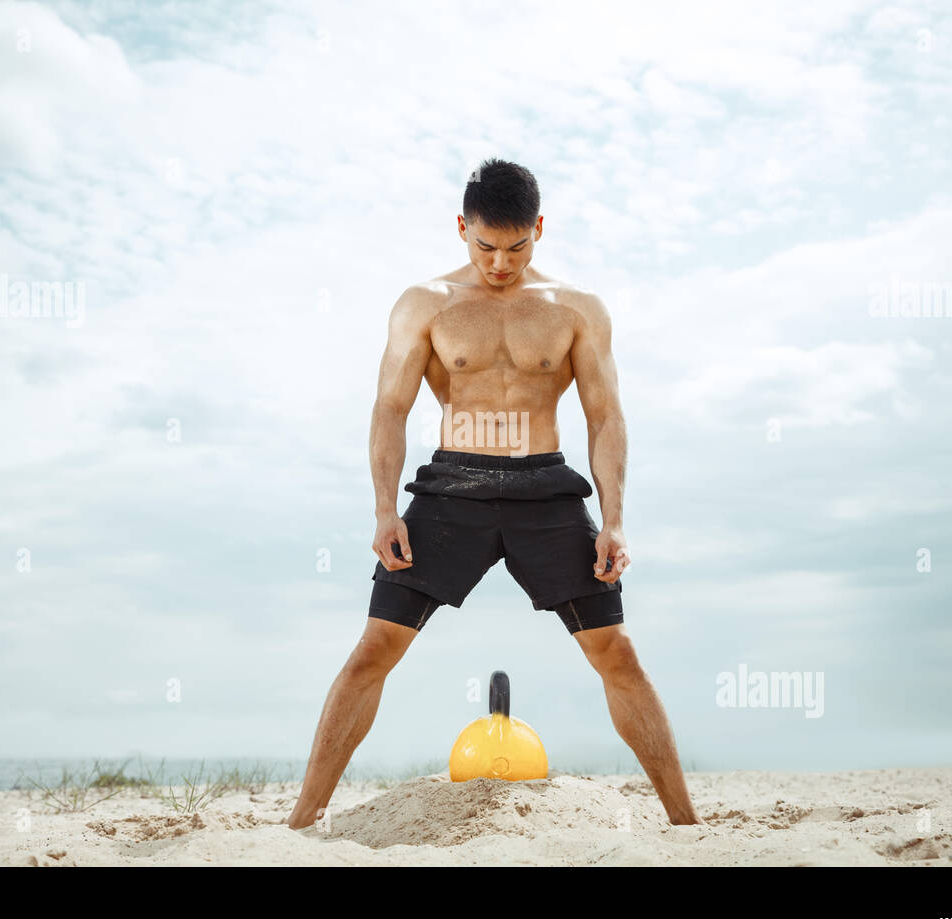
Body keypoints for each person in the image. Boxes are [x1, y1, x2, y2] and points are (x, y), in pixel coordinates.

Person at [286, 158, 704, 829]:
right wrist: (385, 509)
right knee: (373, 650)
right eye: (485, 247)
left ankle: (687, 826)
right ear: (461, 228)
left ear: (539, 229)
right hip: (451, 491)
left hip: (546, 489)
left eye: (516, 248)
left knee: (617, 654)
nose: (500, 265)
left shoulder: (576, 309)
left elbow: (605, 416)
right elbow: (389, 408)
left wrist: (616, 519)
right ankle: (303, 824)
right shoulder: (425, 304)